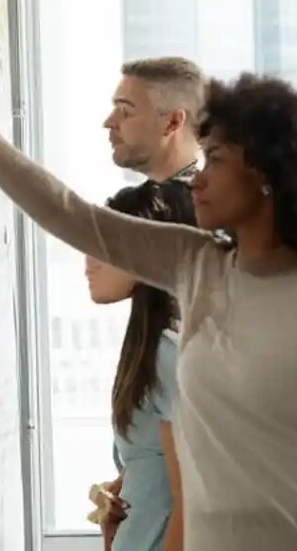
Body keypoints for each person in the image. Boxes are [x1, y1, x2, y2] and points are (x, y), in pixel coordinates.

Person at [0, 42, 297, 551]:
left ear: (268, 174)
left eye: (215, 160)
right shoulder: (196, 264)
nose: (197, 179)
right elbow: (71, 215)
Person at [87, 181, 197, 551]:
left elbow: (192, 501)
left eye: (107, 242)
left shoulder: (169, 354)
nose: (90, 257)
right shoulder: (147, 349)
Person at [104, 57, 205, 183]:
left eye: (125, 111)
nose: (108, 122)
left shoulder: (213, 201)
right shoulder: (134, 200)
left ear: (173, 122)